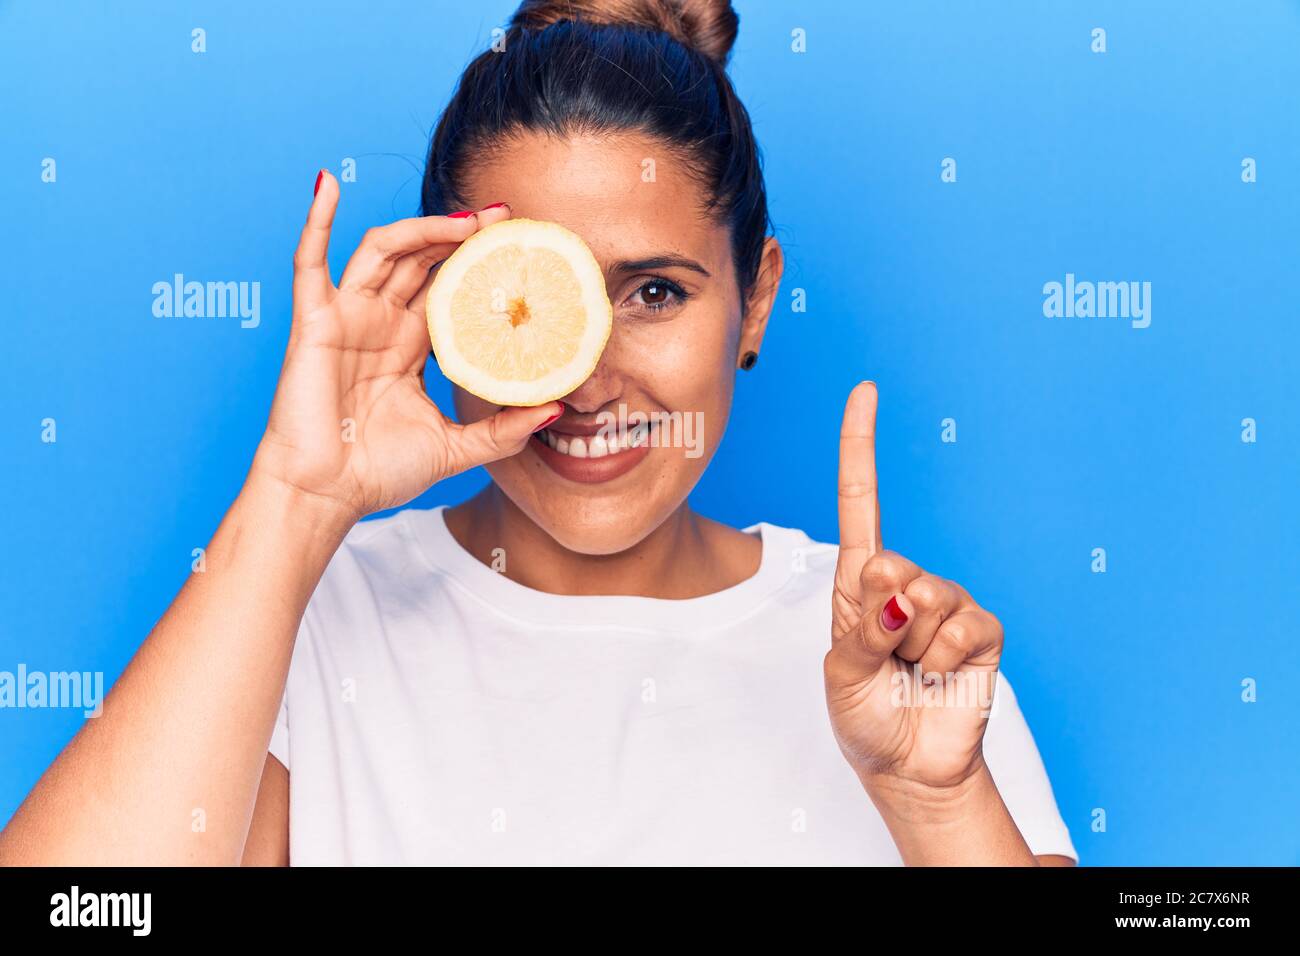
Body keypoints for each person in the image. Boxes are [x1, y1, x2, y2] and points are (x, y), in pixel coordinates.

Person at [0, 0, 1076, 866]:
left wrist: (933, 805)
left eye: (653, 291)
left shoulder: (896, 663)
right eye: (523, 302)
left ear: (753, 301)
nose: (587, 376)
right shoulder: (307, 625)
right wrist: (293, 502)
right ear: (436, 299)